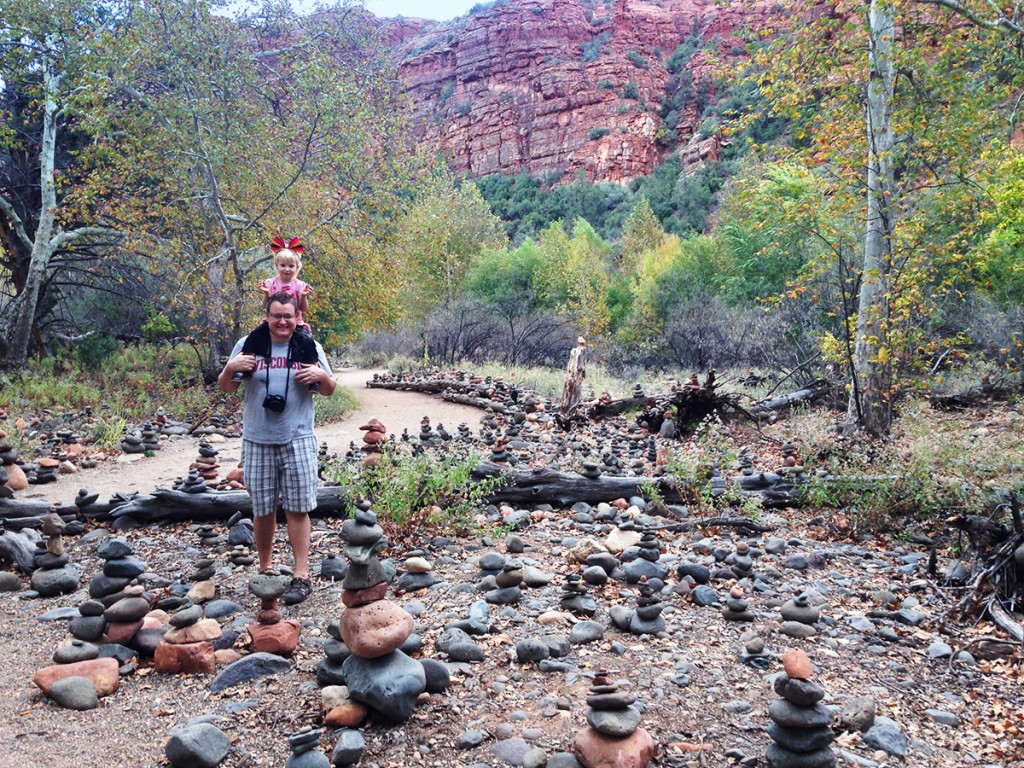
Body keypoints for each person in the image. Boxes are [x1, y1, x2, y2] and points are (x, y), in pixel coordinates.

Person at [218, 291, 337, 605]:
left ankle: (301, 575)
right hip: (257, 438)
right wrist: (231, 369)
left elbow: (329, 389)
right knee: (263, 508)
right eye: (276, 316)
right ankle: (266, 569)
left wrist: (322, 376)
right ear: (266, 316)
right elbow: (226, 385)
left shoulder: (309, 346)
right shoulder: (249, 344)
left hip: (298, 436)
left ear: (297, 316)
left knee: (298, 507)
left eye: (288, 316)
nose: (283, 321)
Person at [234, 237, 319, 389]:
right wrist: (266, 294)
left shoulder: (299, 285)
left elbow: (303, 308)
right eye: (283, 265)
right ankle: (244, 368)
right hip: (272, 323)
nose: (287, 269)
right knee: (253, 337)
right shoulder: (271, 283)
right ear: (276, 265)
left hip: (295, 323)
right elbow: (265, 306)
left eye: (291, 266)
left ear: (297, 267)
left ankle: (314, 375)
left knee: (308, 343)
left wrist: (304, 296)